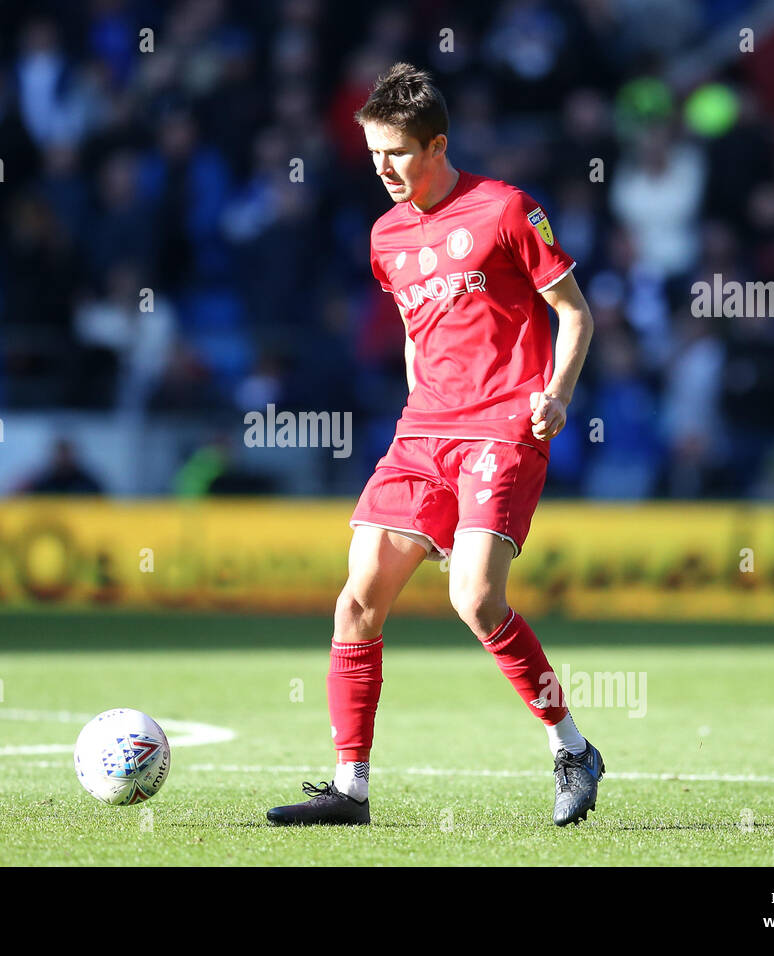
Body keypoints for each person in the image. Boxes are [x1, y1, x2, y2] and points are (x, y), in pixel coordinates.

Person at [266, 64, 602, 828]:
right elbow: (419, 335)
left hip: (504, 425)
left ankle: (572, 748)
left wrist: (556, 395)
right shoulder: (385, 235)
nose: (382, 168)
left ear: (437, 145)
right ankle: (350, 789)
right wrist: (420, 407)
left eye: (396, 152)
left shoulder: (507, 209)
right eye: (373, 153)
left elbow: (574, 313)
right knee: (357, 601)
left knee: (476, 600)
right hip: (423, 434)